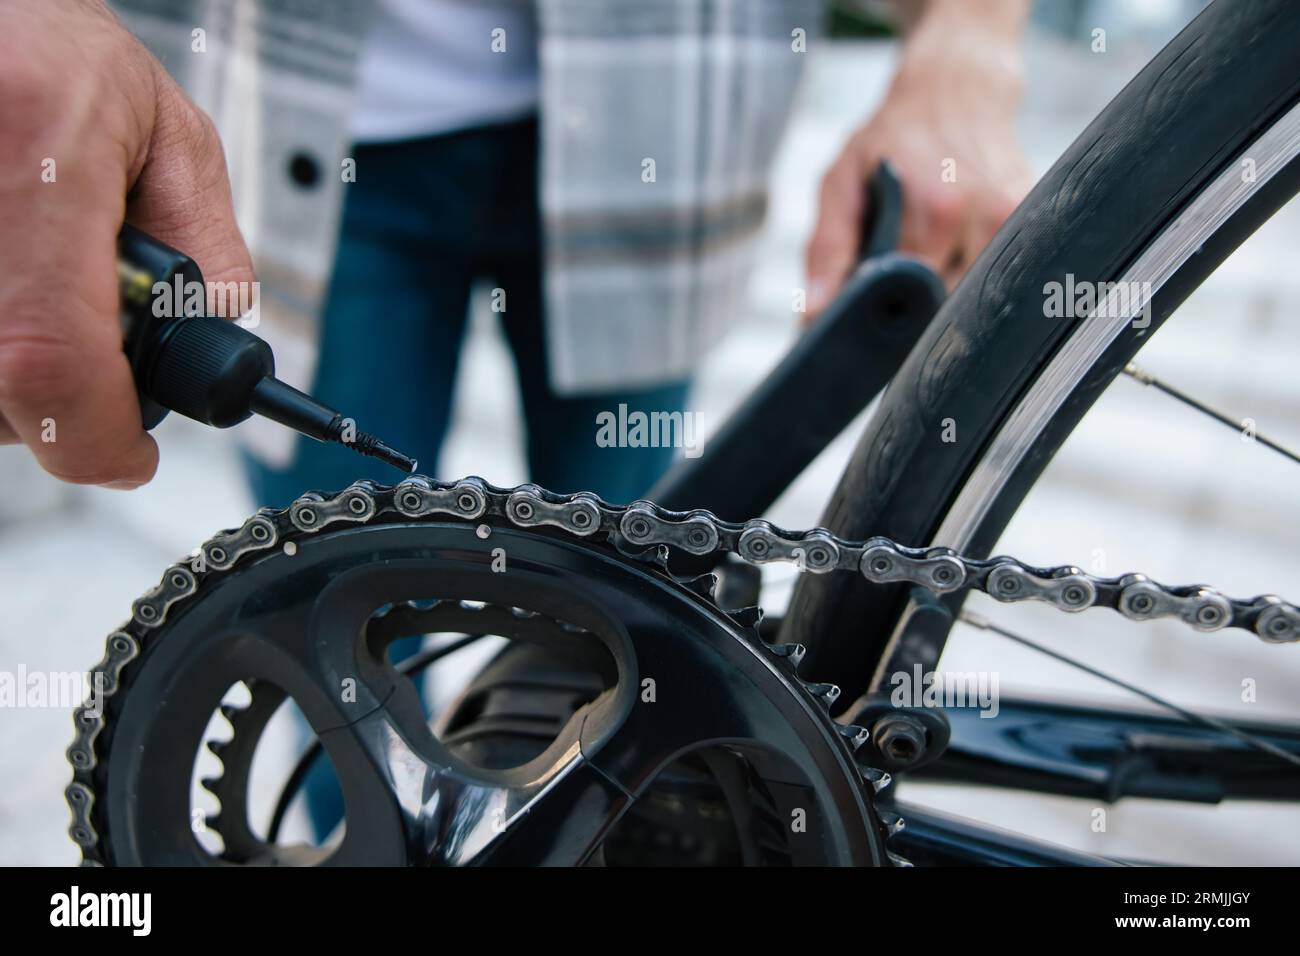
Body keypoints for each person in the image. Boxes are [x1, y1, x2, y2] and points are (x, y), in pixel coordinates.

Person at [0, 0, 1030, 504]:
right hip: (297, 134)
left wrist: (965, 44)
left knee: (628, 598)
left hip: (663, 148)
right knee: (327, 607)